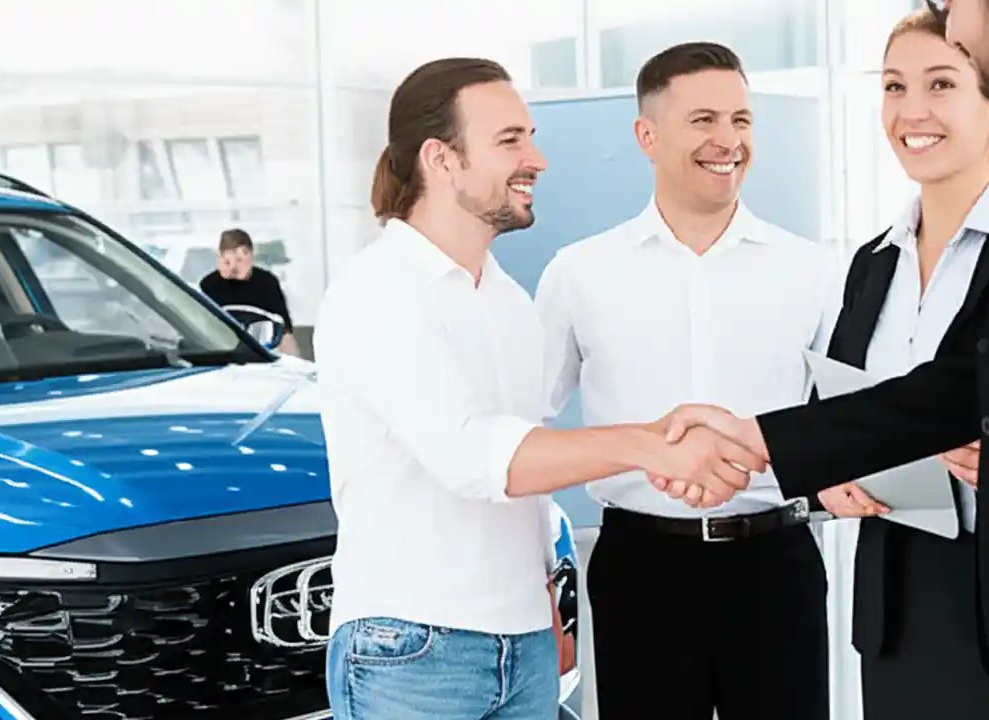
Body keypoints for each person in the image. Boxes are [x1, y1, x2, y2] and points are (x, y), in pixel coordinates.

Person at [660, 0, 989, 717]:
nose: (958, 26)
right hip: (979, 636)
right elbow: (967, 380)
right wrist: (766, 440)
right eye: (894, 84)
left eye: (957, 8)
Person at [312, 57, 761, 720]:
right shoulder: (378, 294)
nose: (538, 159)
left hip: (522, 647)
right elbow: (476, 457)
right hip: (412, 652)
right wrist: (648, 445)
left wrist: (543, 603)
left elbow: (528, 478)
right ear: (442, 159)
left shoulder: (506, 301)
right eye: (511, 140)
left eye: (531, 136)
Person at [534, 41, 838, 720]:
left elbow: (848, 419)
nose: (727, 141)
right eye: (703, 120)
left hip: (775, 564)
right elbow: (521, 431)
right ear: (647, 136)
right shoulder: (580, 274)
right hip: (641, 568)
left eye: (741, 120)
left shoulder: (812, 271)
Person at [813, 8, 989, 719]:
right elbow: (848, 412)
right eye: (895, 87)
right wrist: (831, 476)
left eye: (941, 84)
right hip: (896, 610)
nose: (912, 111)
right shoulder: (873, 264)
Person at [198, 227, 301, 356]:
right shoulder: (209, 284)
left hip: (263, 347)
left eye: (243, 256)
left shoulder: (267, 282)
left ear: (252, 254)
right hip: (222, 349)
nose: (237, 264)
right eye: (231, 259)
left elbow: (284, 330)